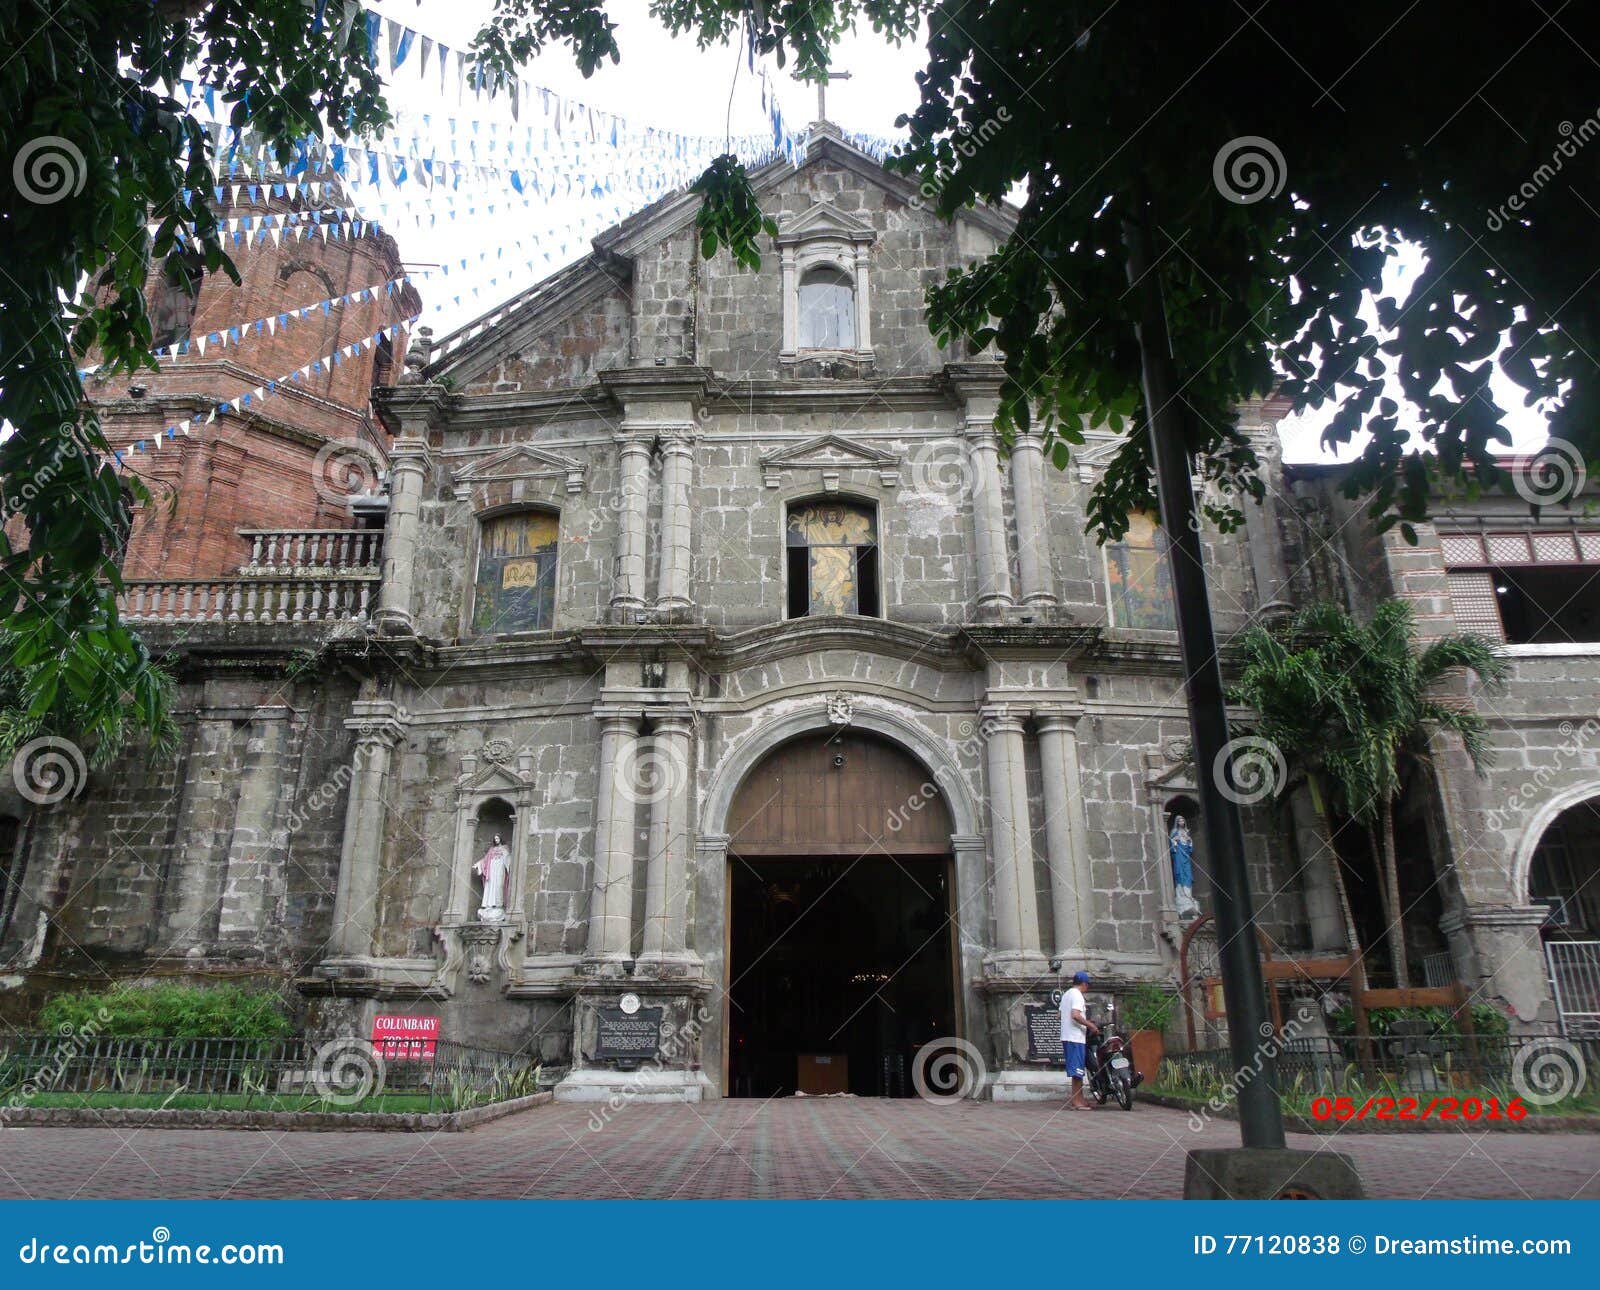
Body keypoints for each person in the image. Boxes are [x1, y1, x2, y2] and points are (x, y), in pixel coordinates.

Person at [1061, 970, 1100, 1110]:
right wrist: (1090, 1025)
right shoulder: (1077, 995)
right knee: (1077, 1071)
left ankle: (1079, 1099)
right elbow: (1075, 1015)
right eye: (1087, 985)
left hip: (1068, 1035)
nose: (1087, 988)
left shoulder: (1067, 994)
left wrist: (1083, 1021)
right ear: (1083, 984)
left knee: (1077, 1070)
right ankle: (1076, 1102)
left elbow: (1059, 1015)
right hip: (1074, 1037)